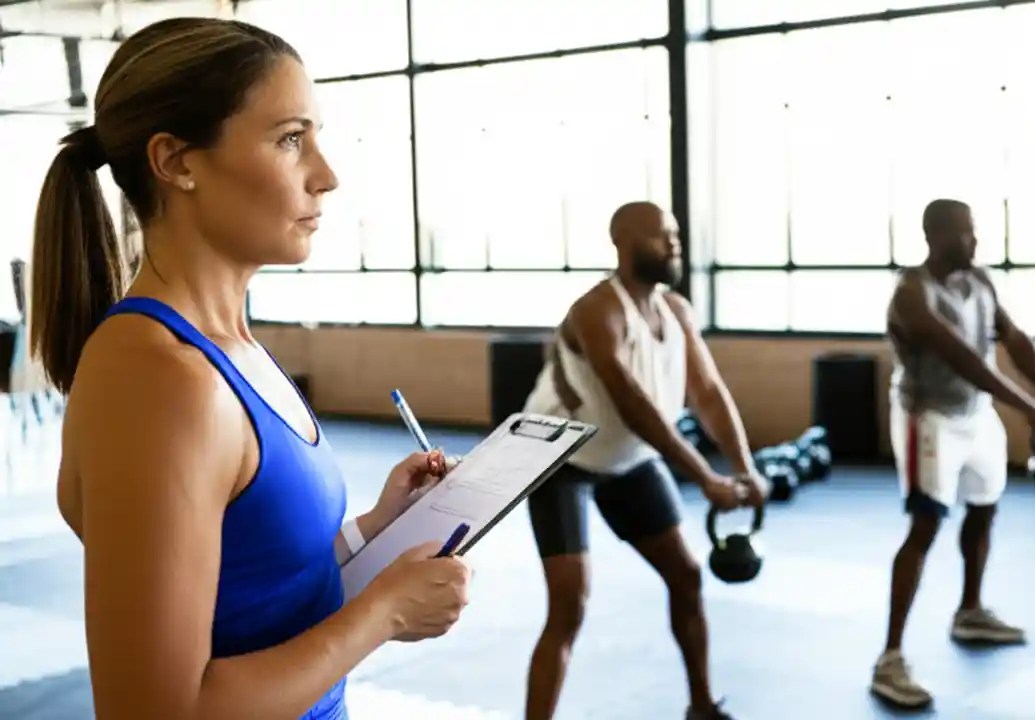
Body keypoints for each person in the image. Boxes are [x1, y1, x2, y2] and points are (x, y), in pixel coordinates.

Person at [30, 18, 471, 719]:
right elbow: (152, 711)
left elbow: (257, 581)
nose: (326, 175)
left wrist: (374, 531)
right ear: (177, 162)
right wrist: (380, 617)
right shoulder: (160, 377)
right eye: (290, 139)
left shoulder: (229, 346)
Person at [520, 201, 768, 720]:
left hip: (626, 458)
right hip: (558, 460)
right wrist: (706, 478)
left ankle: (702, 705)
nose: (673, 244)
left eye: (675, 234)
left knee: (686, 575)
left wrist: (744, 467)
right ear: (623, 243)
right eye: (660, 237)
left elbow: (708, 391)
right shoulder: (597, 310)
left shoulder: (676, 311)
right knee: (569, 605)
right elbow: (634, 406)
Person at [872, 199, 1035, 709]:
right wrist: (1030, 408)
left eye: (975, 232)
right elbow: (961, 358)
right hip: (929, 419)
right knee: (925, 526)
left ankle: (970, 610)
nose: (975, 242)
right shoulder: (911, 293)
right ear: (935, 236)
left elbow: (1018, 342)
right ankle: (890, 658)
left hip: (978, 415)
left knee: (985, 510)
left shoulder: (980, 281)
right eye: (966, 234)